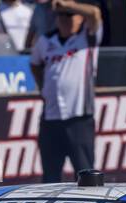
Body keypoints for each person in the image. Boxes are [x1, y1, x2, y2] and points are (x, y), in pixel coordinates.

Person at [30, 0, 101, 183]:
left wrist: (69, 4)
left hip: (79, 117)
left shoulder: (86, 37)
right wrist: (43, 88)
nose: (65, 19)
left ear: (79, 17)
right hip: (51, 118)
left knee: (85, 173)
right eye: (61, 15)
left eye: (70, 15)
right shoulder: (46, 41)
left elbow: (94, 13)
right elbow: (35, 64)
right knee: (50, 176)